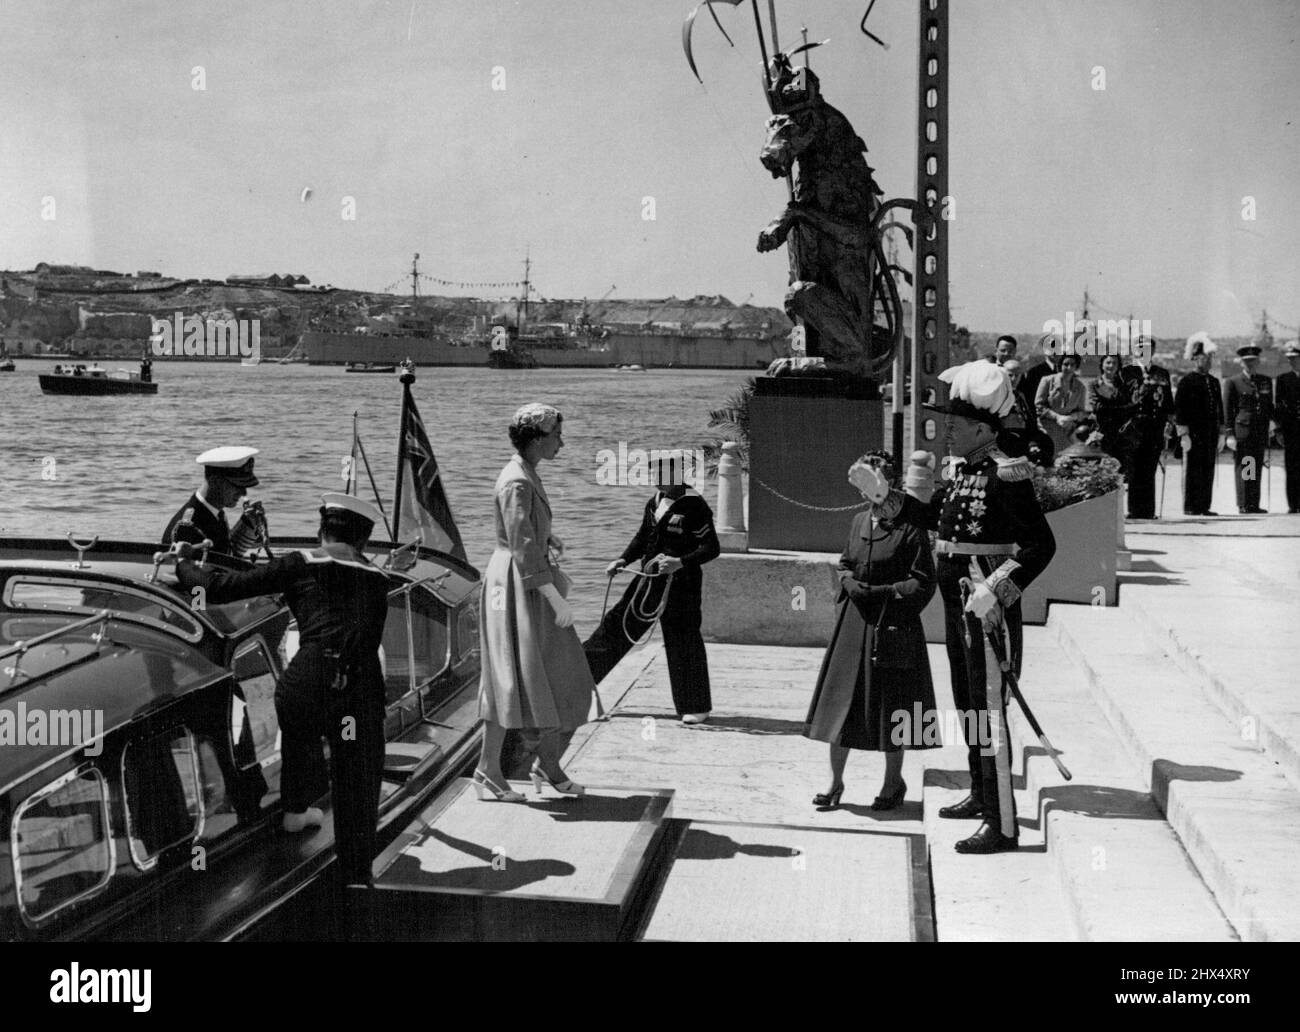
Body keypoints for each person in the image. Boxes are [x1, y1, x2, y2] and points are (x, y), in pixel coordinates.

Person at [854, 361, 1056, 854]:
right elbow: (931, 519)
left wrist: (1000, 586)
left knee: (988, 707)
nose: (945, 431)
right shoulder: (966, 474)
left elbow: (1040, 545)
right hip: (957, 602)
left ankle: (1003, 824)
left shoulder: (1007, 475)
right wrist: (885, 496)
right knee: (967, 702)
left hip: (985, 603)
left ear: (983, 429)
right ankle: (982, 793)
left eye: (955, 425)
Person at [175, 493, 390, 885]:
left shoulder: (299, 563)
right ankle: (357, 876)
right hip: (359, 685)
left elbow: (221, 587)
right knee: (357, 782)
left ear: (322, 530)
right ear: (364, 541)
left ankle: (294, 810)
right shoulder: (379, 579)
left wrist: (183, 562)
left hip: (306, 681)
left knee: (300, 730)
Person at [804, 451, 938, 811]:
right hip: (854, 622)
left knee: (893, 706)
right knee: (840, 706)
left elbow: (923, 582)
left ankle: (893, 783)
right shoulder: (859, 522)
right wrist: (847, 582)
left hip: (893, 625)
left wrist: (882, 594)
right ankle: (835, 783)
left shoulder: (911, 529)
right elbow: (846, 560)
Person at [477, 403, 595, 802]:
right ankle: (499, 769)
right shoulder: (518, 482)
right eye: (557, 436)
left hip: (520, 579)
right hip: (519, 585)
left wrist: (549, 538)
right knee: (519, 676)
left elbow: (526, 534)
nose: (562, 442)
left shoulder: (525, 475)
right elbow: (520, 545)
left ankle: (534, 765)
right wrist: (552, 596)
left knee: (535, 675)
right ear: (539, 439)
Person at [584, 451, 720, 724]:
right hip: (648, 580)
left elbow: (711, 548)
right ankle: (576, 691)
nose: (656, 479)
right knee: (613, 630)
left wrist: (680, 562)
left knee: (683, 641)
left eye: (662, 473)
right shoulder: (654, 502)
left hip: (682, 584)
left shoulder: (695, 505)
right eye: (653, 473)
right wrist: (623, 558)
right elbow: (643, 536)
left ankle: (696, 706)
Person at [163, 446, 263, 557]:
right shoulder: (187, 528)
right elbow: (205, 572)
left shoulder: (213, 512)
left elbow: (224, 554)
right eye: (237, 485)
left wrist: (247, 524)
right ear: (215, 482)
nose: (243, 493)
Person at [1173, 332, 1225, 516]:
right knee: (1192, 471)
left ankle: (1204, 505)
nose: (1209, 360)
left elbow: (1219, 409)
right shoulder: (1186, 381)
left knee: (1207, 469)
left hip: (1209, 433)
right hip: (1193, 434)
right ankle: (1191, 506)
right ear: (1196, 358)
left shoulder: (1214, 382)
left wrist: (1221, 433)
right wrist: (1183, 434)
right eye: (1206, 357)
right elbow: (1179, 409)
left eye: (1211, 357)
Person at [1124, 339, 1175, 519]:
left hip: (1155, 427)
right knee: (1134, 468)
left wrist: (1169, 423)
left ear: (1153, 351)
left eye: (1147, 348)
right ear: (1133, 350)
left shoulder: (1161, 373)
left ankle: (1147, 510)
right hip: (1134, 427)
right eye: (1139, 348)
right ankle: (1133, 510)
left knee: (1150, 467)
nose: (1143, 351)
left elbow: (1168, 402)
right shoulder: (1126, 372)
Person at [1223, 342, 1275, 514]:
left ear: (1258, 362)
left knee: (1256, 466)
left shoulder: (1265, 381)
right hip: (1243, 431)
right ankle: (1244, 503)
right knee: (1246, 465)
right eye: (1247, 361)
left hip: (1260, 430)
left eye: (1253, 361)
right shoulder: (1233, 382)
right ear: (1241, 363)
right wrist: (1229, 434)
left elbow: (1268, 406)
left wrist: (1273, 423)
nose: (1250, 364)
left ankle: (1254, 502)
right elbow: (1227, 410)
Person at [1087, 354, 1136, 474]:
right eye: (1108, 362)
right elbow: (1097, 407)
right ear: (1102, 365)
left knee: (1121, 471)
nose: (1111, 366)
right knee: (1099, 470)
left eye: (1115, 363)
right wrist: (1120, 408)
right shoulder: (1094, 384)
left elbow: (1131, 406)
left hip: (1121, 432)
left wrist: (1111, 407)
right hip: (1101, 430)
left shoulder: (1124, 385)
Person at [1035, 352, 1088, 457]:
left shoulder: (1080, 386)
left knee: (1079, 451)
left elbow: (1081, 411)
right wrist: (1058, 417)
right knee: (1060, 449)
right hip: (1047, 423)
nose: (1069, 367)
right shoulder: (1047, 381)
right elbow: (1039, 406)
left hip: (1068, 425)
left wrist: (1071, 417)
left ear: (1076, 367)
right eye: (1066, 364)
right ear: (1060, 365)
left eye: (1072, 365)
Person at [1275, 342, 1300, 513]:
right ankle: (1293, 505)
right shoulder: (1283, 380)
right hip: (1291, 431)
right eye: (1289, 359)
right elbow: (1278, 407)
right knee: (1291, 468)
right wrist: (1278, 430)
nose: (1291, 361)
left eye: (1295, 358)